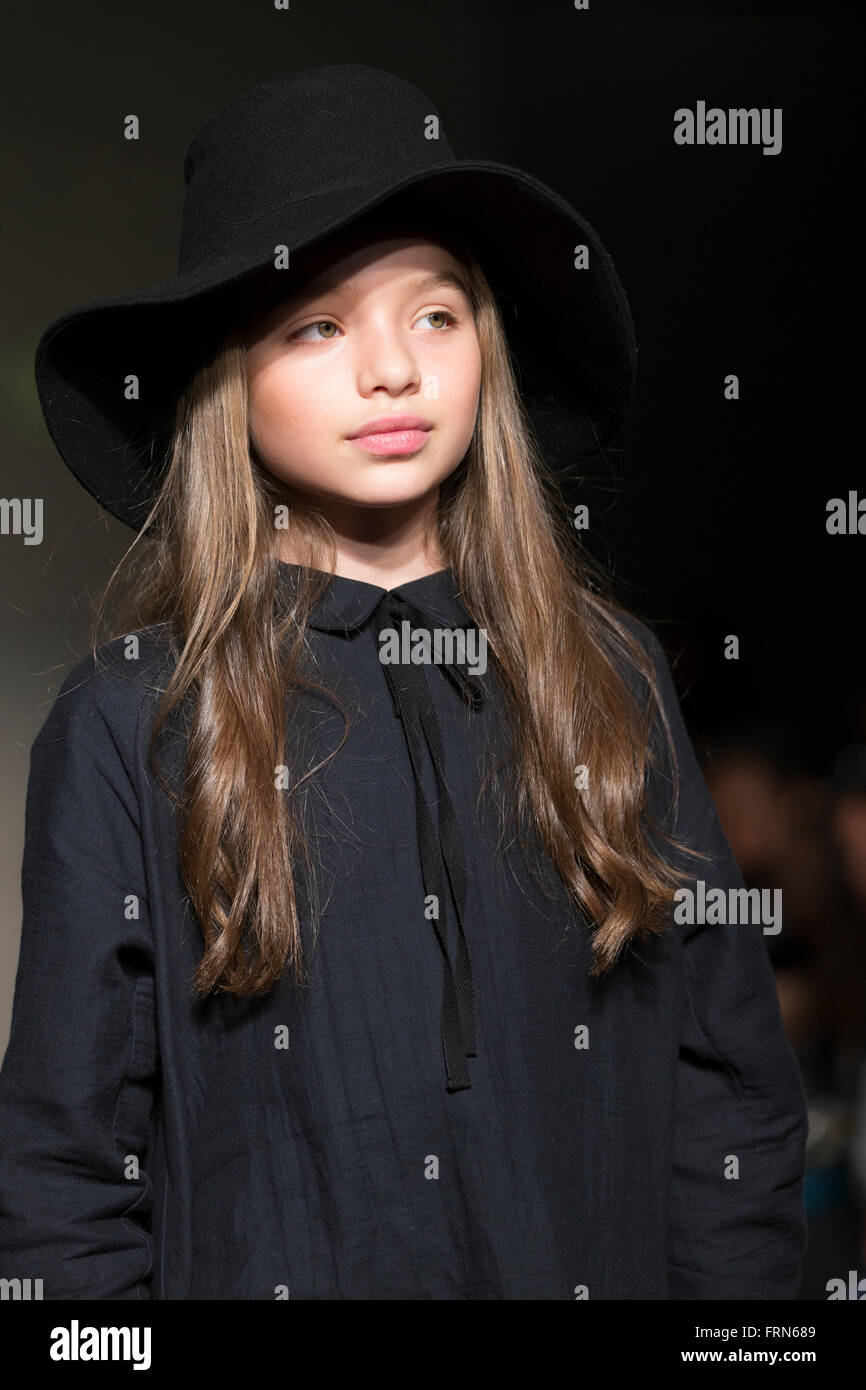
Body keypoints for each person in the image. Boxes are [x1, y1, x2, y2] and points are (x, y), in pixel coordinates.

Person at [0, 65, 808, 1300]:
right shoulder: (134, 719)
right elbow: (65, 1177)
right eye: (316, 324)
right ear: (229, 376)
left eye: (434, 314)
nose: (392, 370)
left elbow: (726, 1095)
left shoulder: (606, 676)